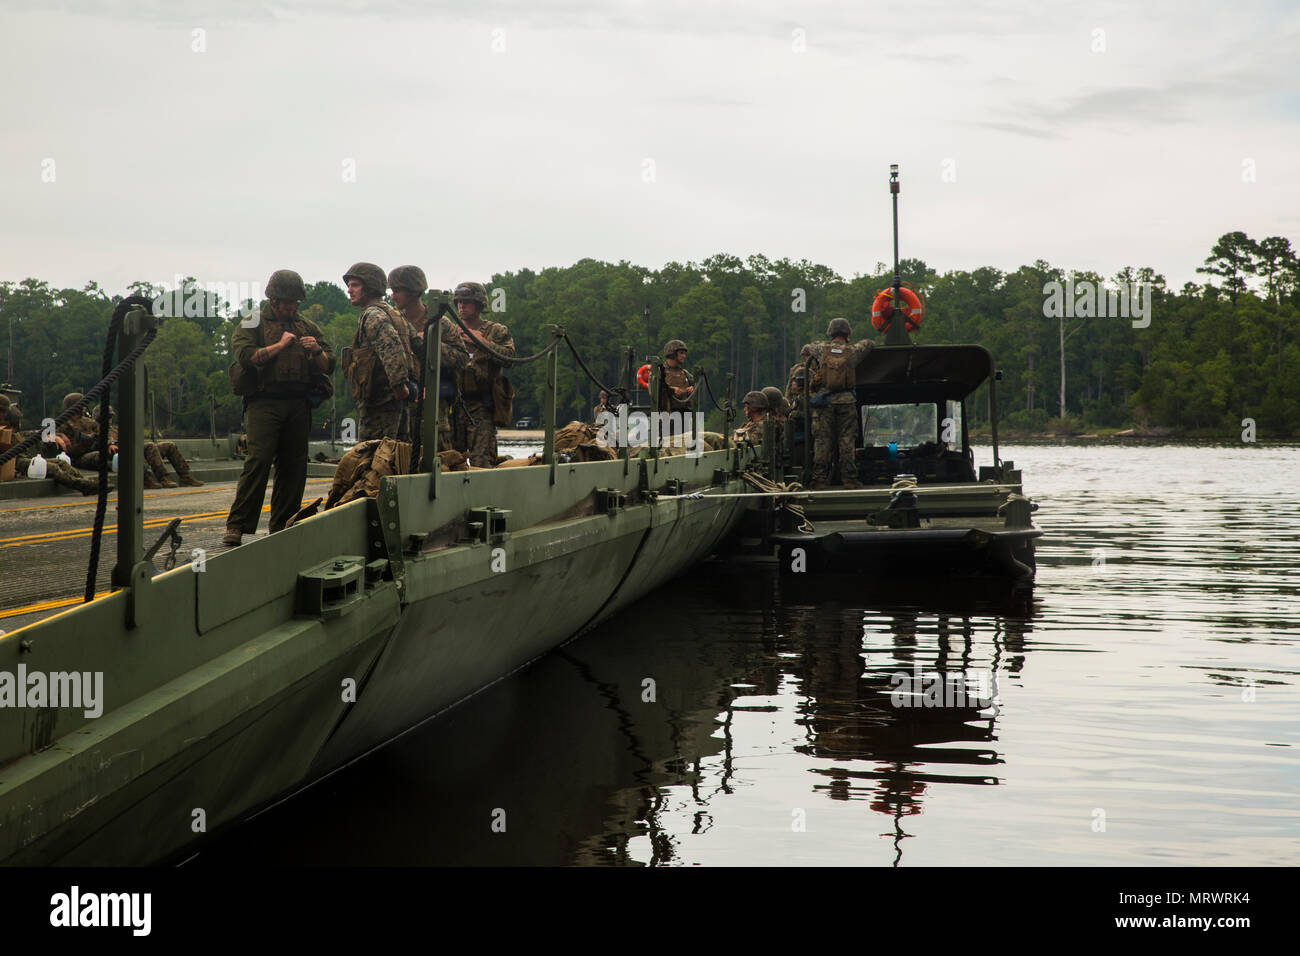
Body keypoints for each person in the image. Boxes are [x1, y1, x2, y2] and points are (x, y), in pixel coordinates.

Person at [223, 269, 333, 546]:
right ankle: (237, 525)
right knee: (258, 461)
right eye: (287, 302)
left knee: (294, 467)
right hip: (264, 402)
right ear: (274, 300)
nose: (292, 307)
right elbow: (246, 357)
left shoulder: (307, 327)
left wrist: (317, 350)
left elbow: (331, 364)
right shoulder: (253, 323)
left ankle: (283, 525)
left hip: (298, 404)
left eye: (296, 302)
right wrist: (279, 345)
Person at [387, 265, 469, 450]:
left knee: (439, 456)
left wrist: (432, 345)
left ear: (414, 292)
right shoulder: (392, 322)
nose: (393, 296)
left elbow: (462, 358)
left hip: (432, 407)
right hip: (399, 404)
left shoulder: (440, 323)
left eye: (397, 291)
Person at [342, 262, 414, 442]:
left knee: (373, 460)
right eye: (349, 286)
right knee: (396, 458)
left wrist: (399, 386)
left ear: (369, 287)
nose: (350, 290)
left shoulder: (373, 315)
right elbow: (419, 346)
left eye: (355, 285)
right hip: (394, 402)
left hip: (380, 404)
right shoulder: (394, 313)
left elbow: (392, 349)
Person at [450, 281, 514, 467]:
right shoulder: (450, 331)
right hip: (453, 405)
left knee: (482, 461)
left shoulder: (495, 331)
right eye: (459, 302)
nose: (461, 306)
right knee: (452, 461)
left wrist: (483, 342)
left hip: (482, 406)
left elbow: (510, 358)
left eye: (467, 301)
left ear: (479, 304)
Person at [805, 317, 874, 489]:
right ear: (847, 334)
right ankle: (849, 479)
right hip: (846, 401)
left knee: (822, 441)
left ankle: (819, 480)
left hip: (825, 402)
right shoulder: (853, 351)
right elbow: (869, 343)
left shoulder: (821, 349)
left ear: (831, 333)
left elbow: (810, 347)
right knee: (847, 441)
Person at [1, 396, 108, 495]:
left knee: (61, 463)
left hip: (17, 459)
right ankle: (84, 487)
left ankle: (88, 482)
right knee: (52, 467)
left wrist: (54, 435)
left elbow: (31, 433)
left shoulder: (11, 432)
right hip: (12, 461)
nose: (4, 414)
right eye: (3, 412)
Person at [658, 340, 694, 421]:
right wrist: (671, 389)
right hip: (666, 417)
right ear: (672, 353)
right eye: (681, 353)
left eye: (684, 353)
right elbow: (653, 391)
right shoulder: (659, 372)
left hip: (684, 416)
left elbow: (696, 386)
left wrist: (692, 389)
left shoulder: (685, 373)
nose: (684, 356)